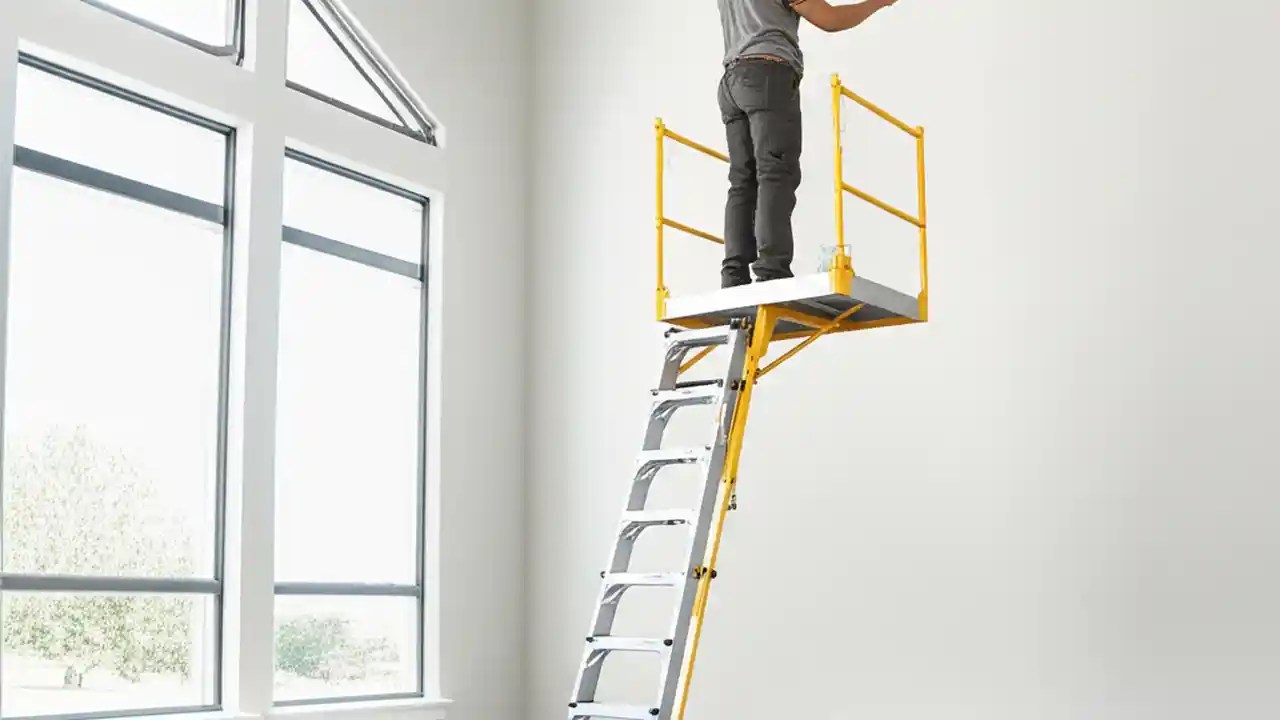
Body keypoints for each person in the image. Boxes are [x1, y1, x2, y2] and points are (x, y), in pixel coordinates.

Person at [716, 0, 900, 287]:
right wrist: (880, 2)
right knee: (776, 173)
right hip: (767, 75)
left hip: (731, 81)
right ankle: (772, 271)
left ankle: (733, 275)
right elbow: (830, 19)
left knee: (742, 180)